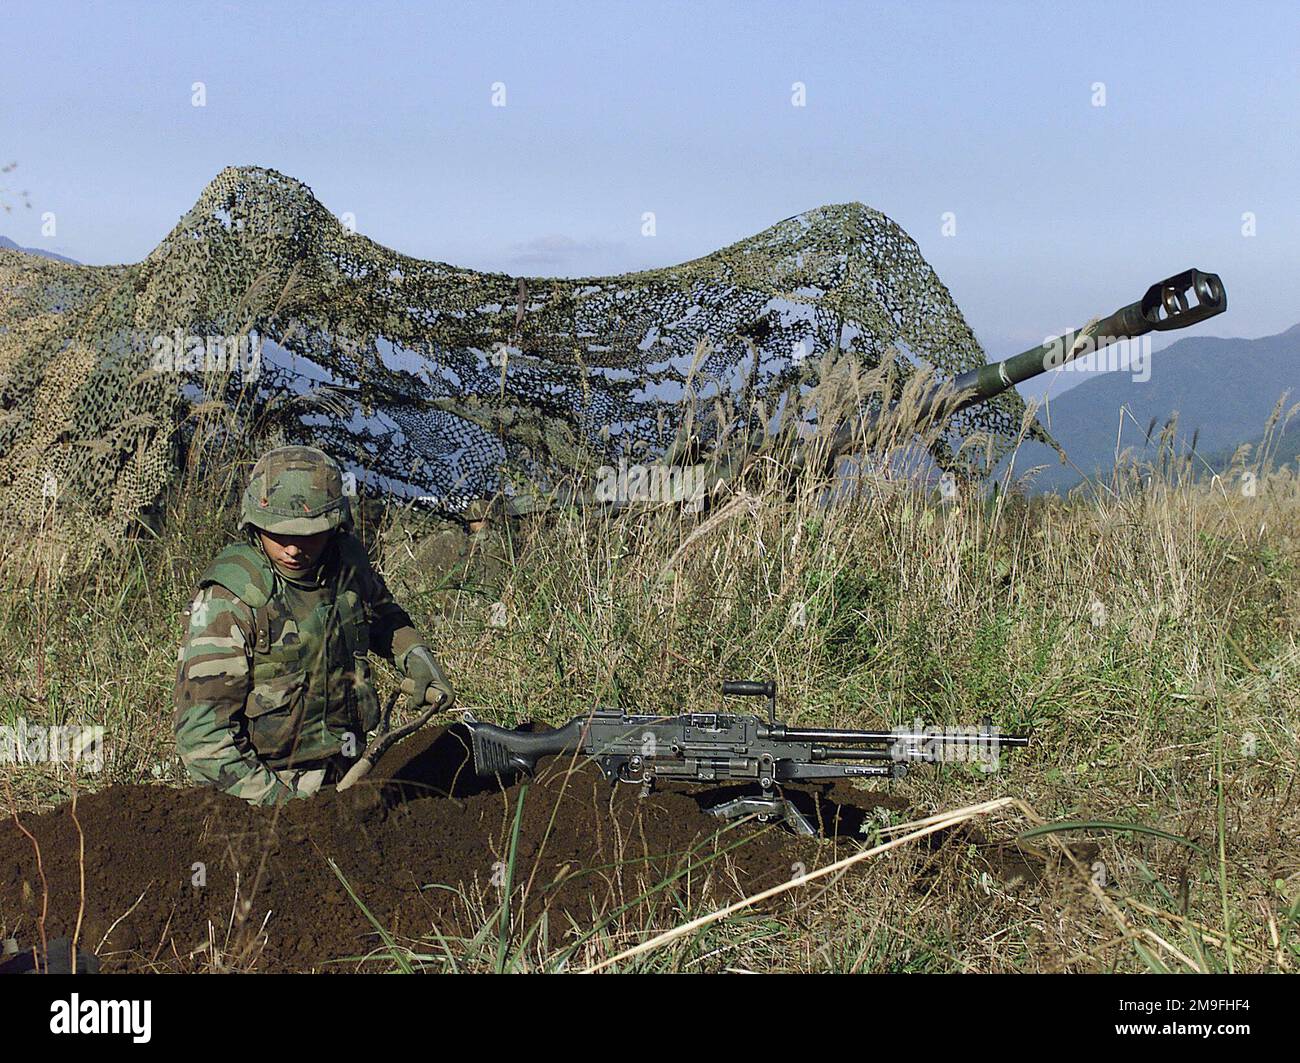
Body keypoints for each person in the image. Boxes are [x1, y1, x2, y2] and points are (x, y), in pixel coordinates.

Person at [174, 445, 452, 805]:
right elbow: (203, 739)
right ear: (255, 525)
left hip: (352, 768)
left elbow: (381, 612)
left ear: (336, 526)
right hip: (267, 789)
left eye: (308, 535)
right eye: (279, 535)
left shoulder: (346, 561)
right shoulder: (230, 600)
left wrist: (413, 653)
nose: (293, 549)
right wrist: (285, 806)